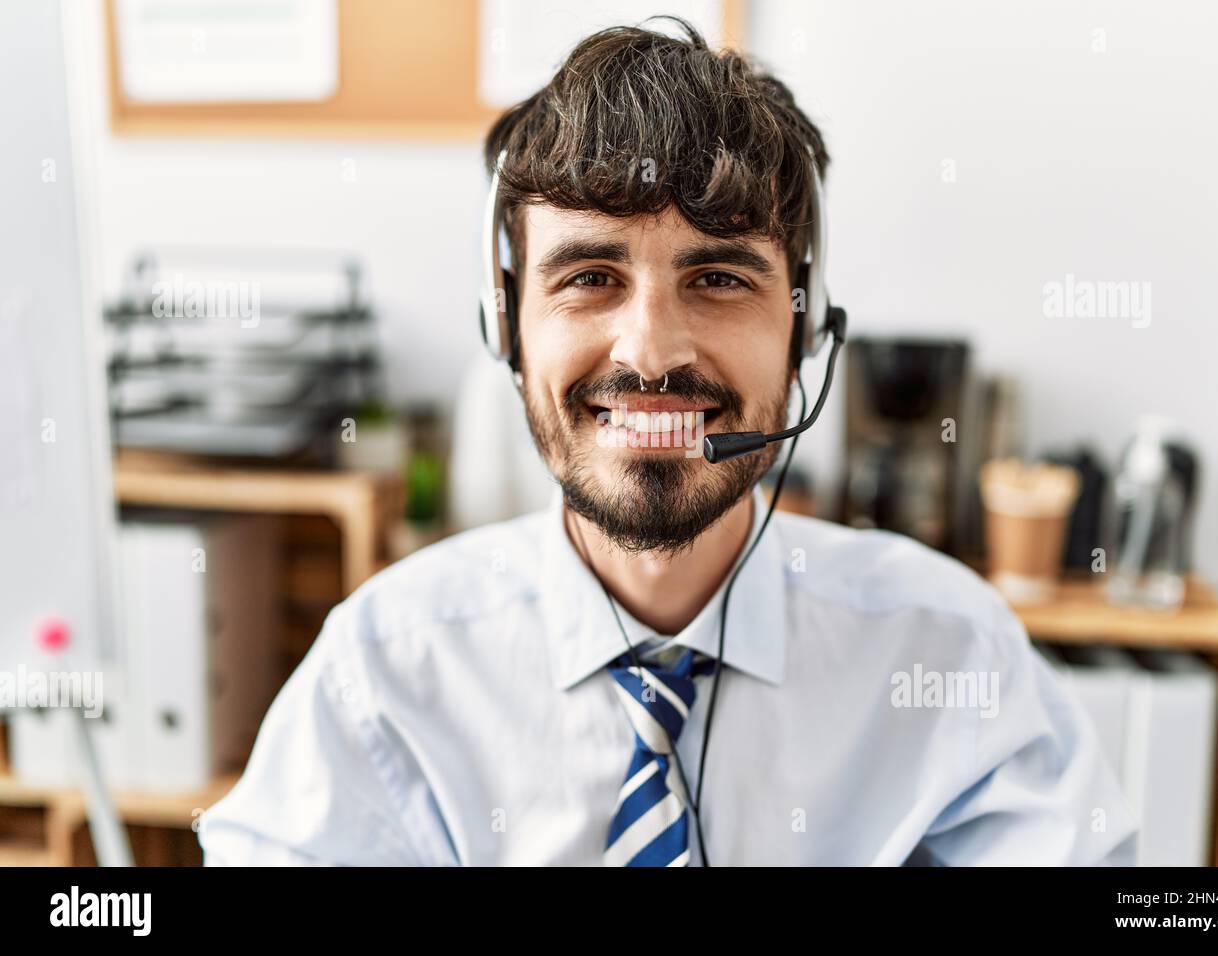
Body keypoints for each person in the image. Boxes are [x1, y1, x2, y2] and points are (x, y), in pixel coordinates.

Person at [199, 18, 1137, 866]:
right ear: (508, 328)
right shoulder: (385, 675)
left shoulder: (951, 657)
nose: (651, 351)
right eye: (590, 275)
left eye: (721, 277)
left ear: (804, 332)